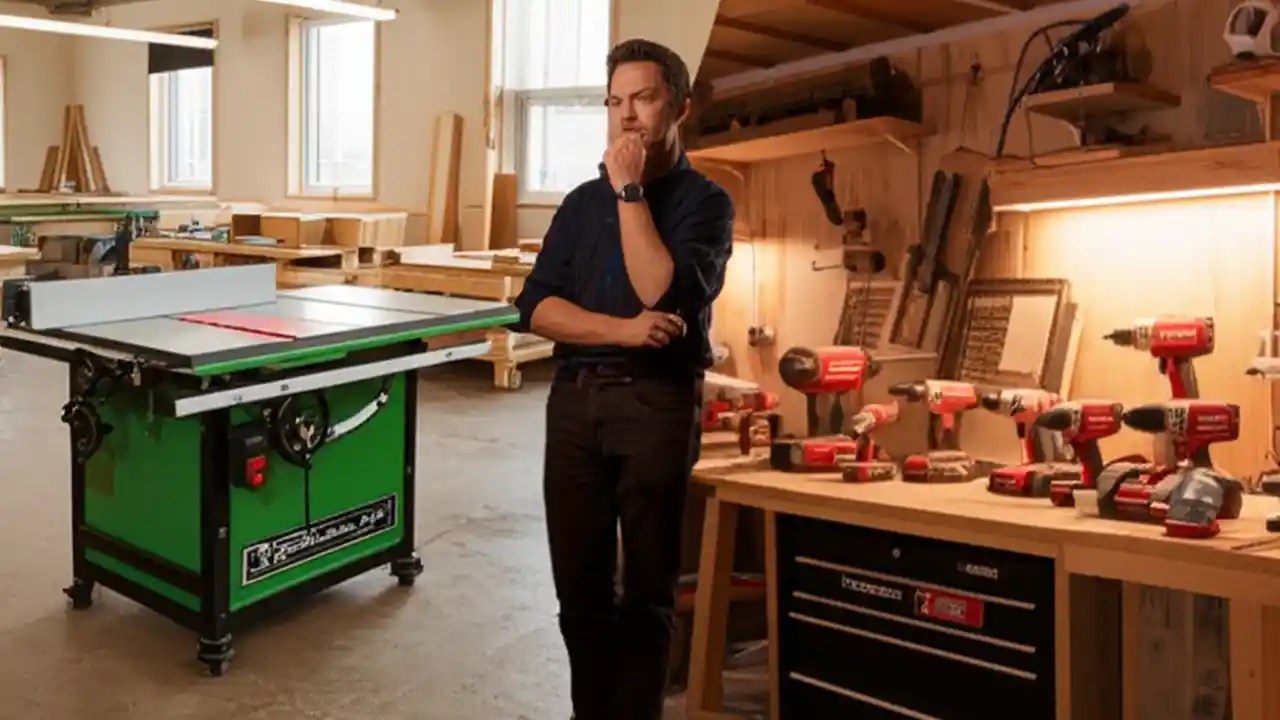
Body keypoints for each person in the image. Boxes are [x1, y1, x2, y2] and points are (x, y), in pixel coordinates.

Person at [509, 38, 735, 720]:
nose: (625, 117)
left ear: (679, 107)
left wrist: (630, 191)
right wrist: (622, 330)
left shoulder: (706, 203)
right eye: (614, 101)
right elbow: (537, 306)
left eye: (642, 99)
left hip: (655, 407)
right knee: (578, 592)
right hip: (575, 404)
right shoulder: (580, 204)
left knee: (646, 595)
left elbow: (658, 286)